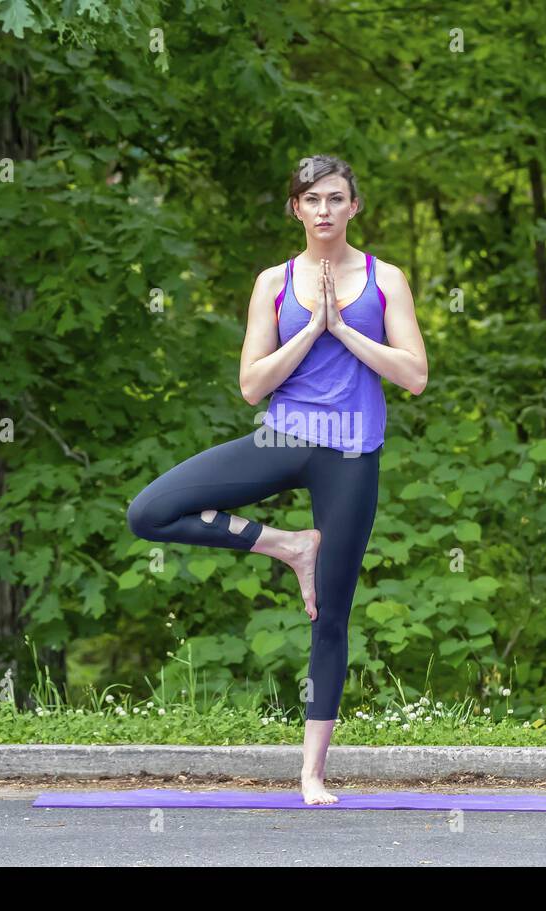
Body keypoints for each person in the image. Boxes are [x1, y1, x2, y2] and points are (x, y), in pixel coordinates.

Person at [127, 154, 428, 804]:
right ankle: (286, 544)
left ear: (355, 207)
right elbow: (251, 385)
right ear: (295, 208)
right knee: (150, 511)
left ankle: (311, 775)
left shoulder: (386, 281)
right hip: (280, 438)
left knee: (331, 617)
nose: (324, 210)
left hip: (350, 452)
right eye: (311, 199)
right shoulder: (273, 282)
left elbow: (414, 375)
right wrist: (312, 329)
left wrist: (345, 329)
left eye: (336, 198)